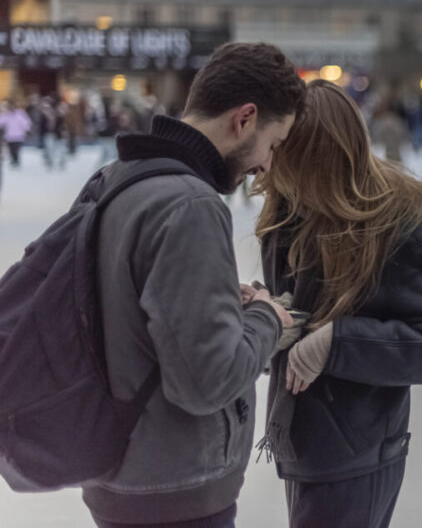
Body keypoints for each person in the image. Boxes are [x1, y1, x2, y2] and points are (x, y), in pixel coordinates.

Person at [83, 42, 304, 528]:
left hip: (116, 469)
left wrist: (223, 304)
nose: (266, 164)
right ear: (245, 118)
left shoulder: (117, 178)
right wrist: (265, 317)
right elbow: (207, 383)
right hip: (175, 486)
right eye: (275, 143)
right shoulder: (190, 205)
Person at [254, 80, 422, 528]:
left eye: (284, 154)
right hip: (305, 439)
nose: (268, 166)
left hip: (358, 450)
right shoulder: (287, 213)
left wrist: (338, 342)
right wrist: (268, 313)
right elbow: (308, 304)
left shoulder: (393, 230)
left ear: (320, 157)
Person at [0, 101, 32, 168]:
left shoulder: (20, 114)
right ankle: (13, 161)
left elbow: (25, 122)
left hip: (18, 136)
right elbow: (1, 122)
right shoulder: (7, 115)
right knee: (11, 150)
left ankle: (16, 161)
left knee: (16, 149)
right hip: (10, 136)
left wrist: (27, 129)